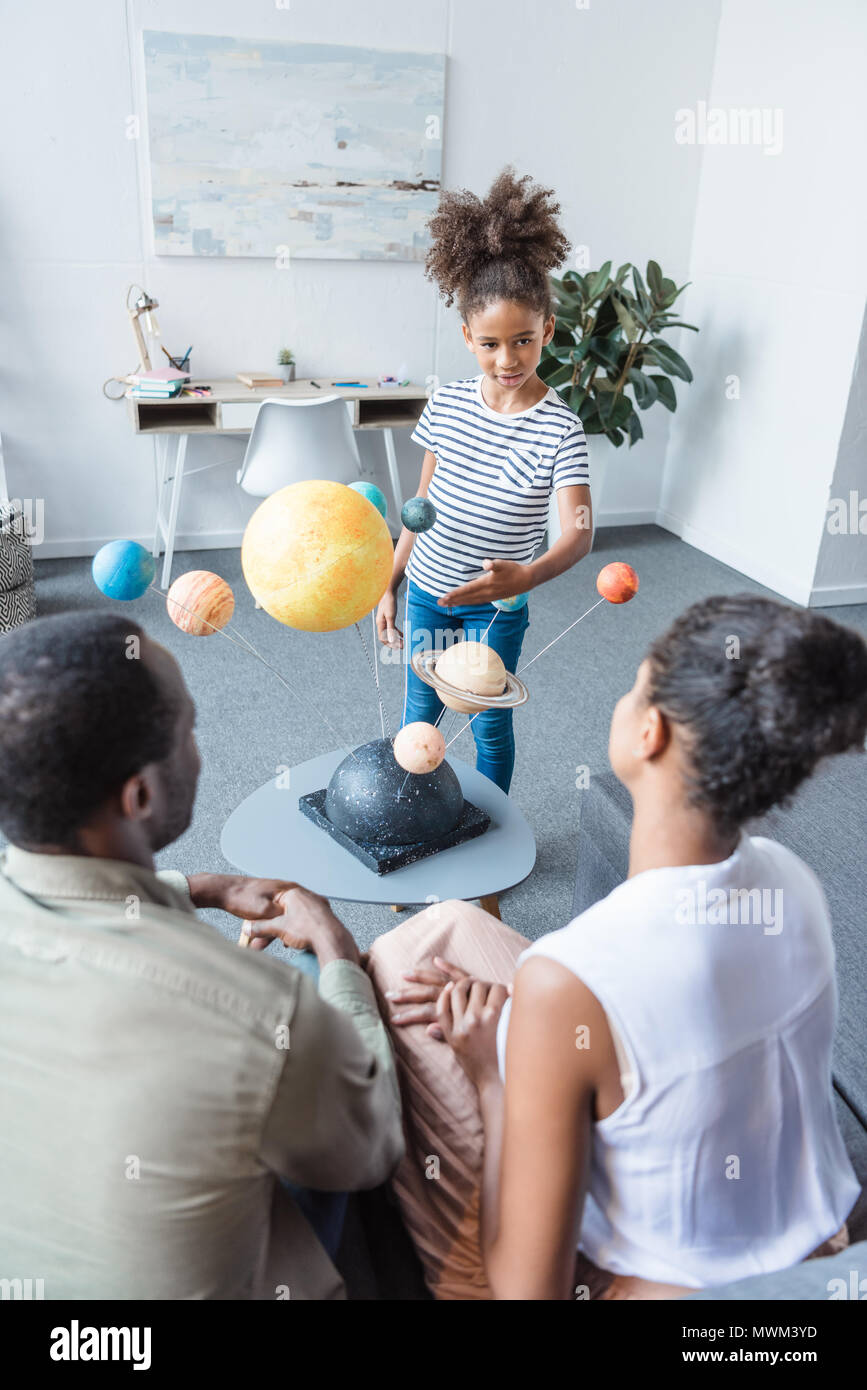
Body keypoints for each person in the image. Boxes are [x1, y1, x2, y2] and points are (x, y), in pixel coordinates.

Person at [359, 594, 867, 1299]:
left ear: (648, 733)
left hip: (670, 1291)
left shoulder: (571, 977)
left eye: (632, 687)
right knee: (449, 925)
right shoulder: (792, 882)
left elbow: (526, 1293)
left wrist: (491, 1075)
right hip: (819, 1239)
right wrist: (549, 1033)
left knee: (389, 980)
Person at [0, 612, 403, 1300]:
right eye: (189, 728)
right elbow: (371, 1151)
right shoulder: (260, 1011)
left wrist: (202, 887)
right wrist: (338, 952)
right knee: (322, 999)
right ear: (141, 793)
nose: (197, 746)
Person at [376, 167, 592, 794]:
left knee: (486, 724)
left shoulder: (562, 430)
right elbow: (421, 506)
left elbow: (577, 536)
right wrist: (387, 582)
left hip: (497, 608)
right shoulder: (445, 404)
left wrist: (527, 576)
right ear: (468, 337)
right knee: (421, 720)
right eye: (491, 343)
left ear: (547, 331)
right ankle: (416, 822)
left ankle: (491, 836)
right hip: (427, 593)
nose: (508, 360)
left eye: (523, 341)